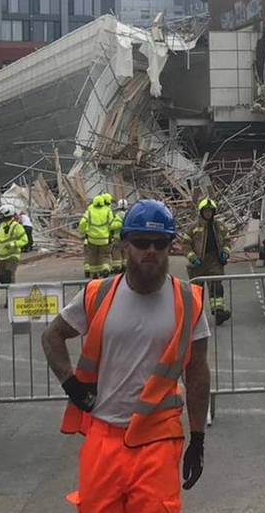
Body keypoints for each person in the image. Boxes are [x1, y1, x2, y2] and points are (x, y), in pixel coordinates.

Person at [41, 199, 211, 511]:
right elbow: (52, 335)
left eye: (160, 244)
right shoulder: (97, 294)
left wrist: (198, 439)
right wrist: (71, 384)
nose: (151, 251)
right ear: (125, 246)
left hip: (158, 440)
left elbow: (198, 372)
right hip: (103, 437)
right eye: (141, 242)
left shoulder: (189, 301)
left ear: (170, 247)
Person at [182, 197, 232, 324]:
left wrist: (225, 253)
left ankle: (219, 312)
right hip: (198, 263)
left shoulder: (219, 226)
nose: (208, 213)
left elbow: (227, 240)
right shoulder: (194, 227)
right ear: (201, 212)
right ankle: (195, 316)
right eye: (206, 211)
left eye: (210, 211)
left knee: (217, 286)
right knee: (197, 290)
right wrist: (192, 257)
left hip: (214, 260)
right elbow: (185, 245)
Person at [0, 204, 27, 287]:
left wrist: (12, 244)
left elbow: (24, 240)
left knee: (9, 277)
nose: (0, 216)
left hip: (12, 257)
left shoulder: (17, 227)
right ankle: (9, 295)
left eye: (1, 214)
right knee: (2, 279)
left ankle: (12, 297)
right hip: (1, 258)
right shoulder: (1, 226)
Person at [78, 194, 113, 279]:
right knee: (105, 255)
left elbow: (82, 222)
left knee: (93, 255)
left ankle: (94, 274)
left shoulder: (90, 211)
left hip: (92, 238)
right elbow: (111, 223)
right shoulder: (108, 210)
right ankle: (106, 268)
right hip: (104, 239)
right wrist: (109, 233)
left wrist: (84, 231)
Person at [111, 198, 129, 273]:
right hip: (126, 237)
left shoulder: (117, 215)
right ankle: (126, 265)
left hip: (117, 237)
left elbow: (113, 226)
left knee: (116, 252)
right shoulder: (129, 214)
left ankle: (117, 267)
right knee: (125, 252)